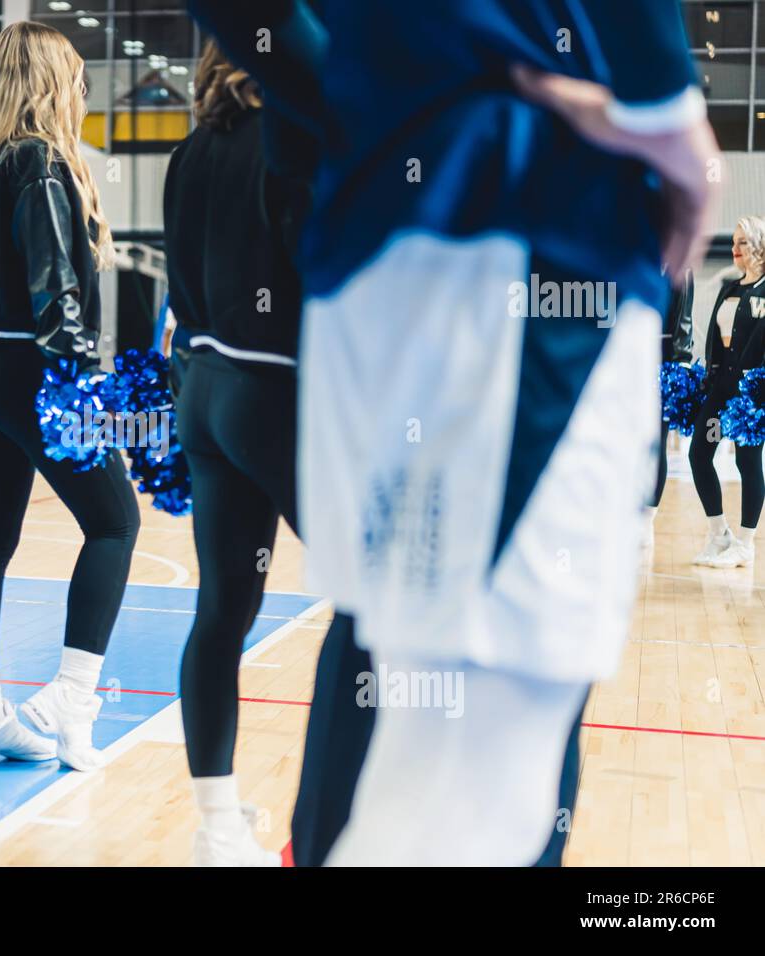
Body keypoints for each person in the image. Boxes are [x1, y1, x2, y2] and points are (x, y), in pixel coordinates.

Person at [189, 0, 717, 865]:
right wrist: (666, 103)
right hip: (528, 240)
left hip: (408, 250)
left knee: (410, 701)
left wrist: (372, 97)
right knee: (480, 778)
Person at [0, 22, 140, 771]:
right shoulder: (46, 165)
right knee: (116, 521)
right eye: (78, 77)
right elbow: (56, 292)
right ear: (53, 82)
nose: (84, 90)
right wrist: (84, 382)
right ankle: (71, 696)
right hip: (31, 369)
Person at [163, 40, 307, 865]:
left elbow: (180, 295)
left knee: (221, 610)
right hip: (274, 391)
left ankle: (218, 829)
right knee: (381, 601)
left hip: (205, 392)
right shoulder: (290, 139)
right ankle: (336, 824)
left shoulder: (190, 151)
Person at [688, 218, 765, 568]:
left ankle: (746, 544)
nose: (734, 249)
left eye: (742, 243)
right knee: (699, 453)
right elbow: (716, 341)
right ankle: (720, 535)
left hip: (752, 392)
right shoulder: (730, 288)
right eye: (733, 242)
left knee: (747, 461)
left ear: (760, 245)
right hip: (721, 389)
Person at [647, 268, 695, 548]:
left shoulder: (678, 267)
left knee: (657, 441)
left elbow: (683, 320)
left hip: (662, 362)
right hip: (631, 354)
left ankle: (647, 518)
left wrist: (680, 363)